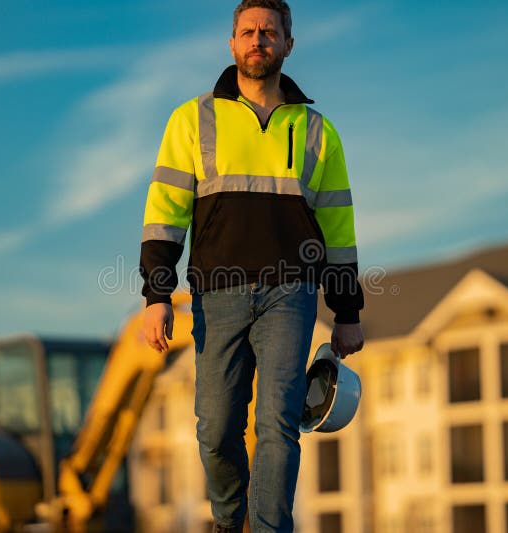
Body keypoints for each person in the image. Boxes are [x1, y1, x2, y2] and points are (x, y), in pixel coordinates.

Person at [139, 1, 363, 531]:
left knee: (277, 423)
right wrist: (156, 296)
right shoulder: (192, 120)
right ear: (232, 43)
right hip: (216, 295)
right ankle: (228, 521)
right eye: (248, 31)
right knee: (215, 429)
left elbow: (339, 230)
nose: (257, 39)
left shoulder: (317, 130)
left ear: (288, 44)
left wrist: (347, 309)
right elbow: (164, 213)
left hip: (292, 291)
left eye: (269, 32)